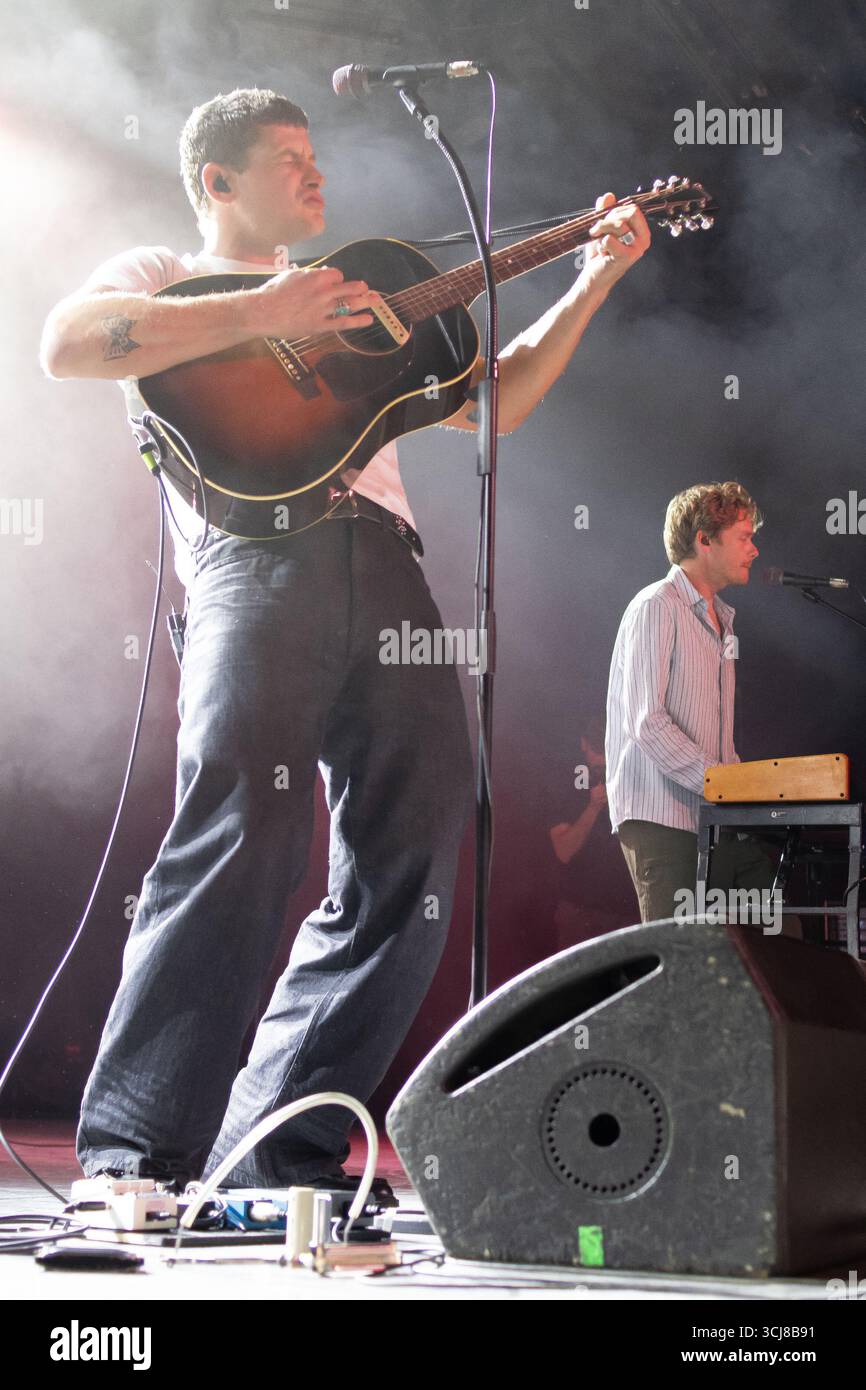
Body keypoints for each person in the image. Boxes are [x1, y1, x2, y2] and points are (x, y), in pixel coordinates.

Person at [41, 87, 650, 1191]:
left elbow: (495, 400)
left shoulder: (369, 301)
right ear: (218, 181)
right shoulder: (158, 274)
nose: (316, 177)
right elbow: (69, 343)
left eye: (315, 157)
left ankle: (275, 1155)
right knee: (240, 833)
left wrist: (592, 277)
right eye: (288, 158)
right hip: (254, 561)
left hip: (387, 566)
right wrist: (260, 312)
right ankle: (133, 1152)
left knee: (412, 852)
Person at [606, 481, 791, 929]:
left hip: (714, 819)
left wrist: (744, 793)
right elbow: (647, 722)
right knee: (683, 966)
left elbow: (718, 743)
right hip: (663, 819)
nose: (755, 550)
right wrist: (722, 784)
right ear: (704, 540)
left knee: (777, 934)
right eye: (744, 538)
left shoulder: (723, 620)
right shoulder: (656, 605)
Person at [548, 716, 636, 948]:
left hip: (627, 913)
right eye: (596, 753)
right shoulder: (566, 783)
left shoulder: (634, 776)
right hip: (580, 912)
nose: (601, 766)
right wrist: (594, 807)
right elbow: (564, 851)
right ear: (583, 744)